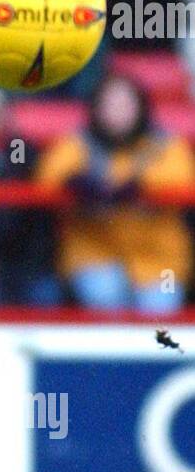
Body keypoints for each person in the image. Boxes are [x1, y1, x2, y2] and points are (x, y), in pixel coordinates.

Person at [36, 74, 195, 314]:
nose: (118, 113)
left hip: (159, 262)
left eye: (125, 105)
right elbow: (47, 178)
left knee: (158, 313)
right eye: (110, 105)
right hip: (94, 255)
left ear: (141, 107)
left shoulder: (165, 143)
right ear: (96, 108)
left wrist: (139, 187)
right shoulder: (78, 142)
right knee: (105, 300)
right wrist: (75, 181)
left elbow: (183, 177)